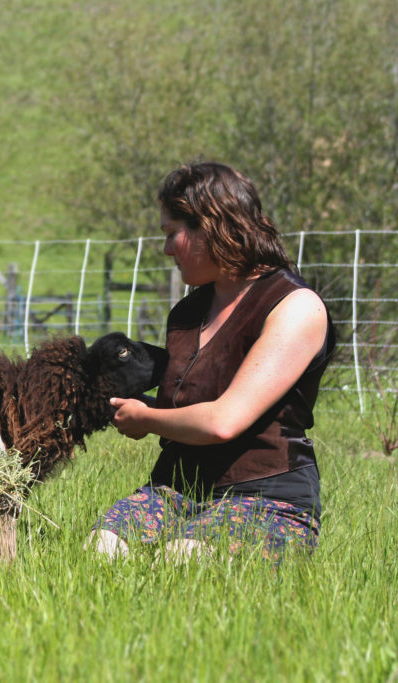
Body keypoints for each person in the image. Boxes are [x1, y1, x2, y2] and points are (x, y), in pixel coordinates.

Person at [87, 161, 335, 562]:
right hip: (176, 488)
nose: (166, 249)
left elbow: (223, 421)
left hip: (266, 496)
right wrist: (135, 408)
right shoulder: (187, 312)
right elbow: (188, 408)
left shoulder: (295, 307)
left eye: (172, 233)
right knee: (100, 549)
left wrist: (145, 418)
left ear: (211, 226)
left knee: (183, 558)